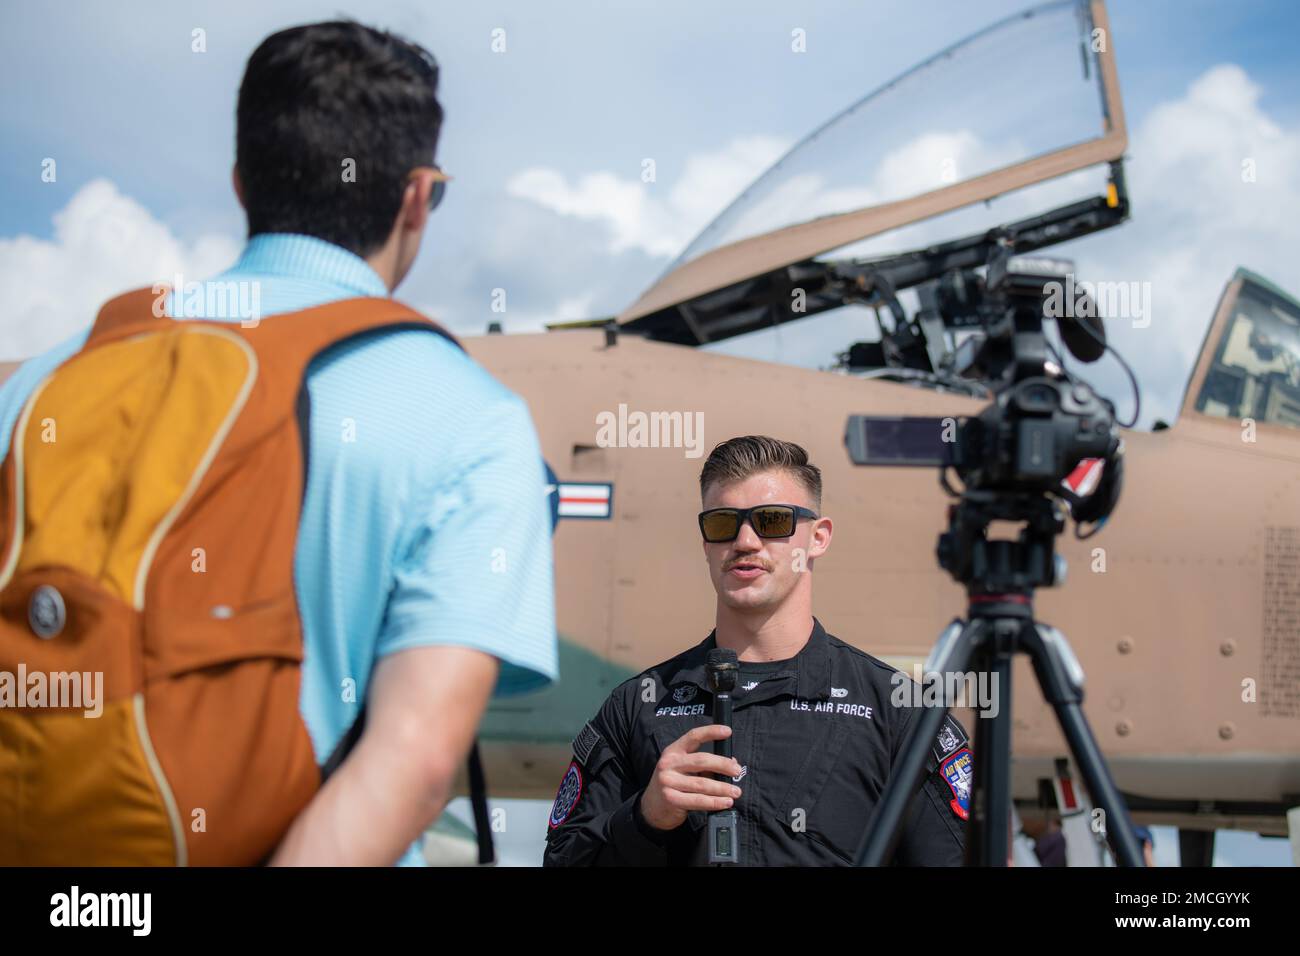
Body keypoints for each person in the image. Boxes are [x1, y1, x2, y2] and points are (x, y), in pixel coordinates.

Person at [0, 21, 557, 866]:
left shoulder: (40, 382)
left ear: (240, 181)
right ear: (417, 196)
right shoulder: (468, 416)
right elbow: (417, 758)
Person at [543, 435, 968, 866]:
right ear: (705, 541)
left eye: (772, 520)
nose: (745, 540)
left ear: (818, 537)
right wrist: (645, 818)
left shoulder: (898, 714)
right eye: (723, 523)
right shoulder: (638, 707)